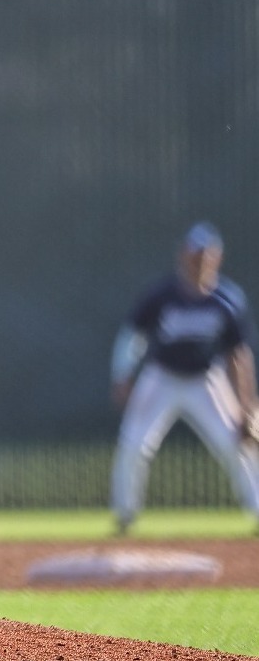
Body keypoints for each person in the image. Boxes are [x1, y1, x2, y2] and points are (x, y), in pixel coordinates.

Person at [108, 222, 259, 535]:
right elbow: (132, 336)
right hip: (161, 376)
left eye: (206, 255)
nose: (200, 261)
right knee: (133, 443)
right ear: (183, 255)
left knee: (239, 442)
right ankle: (125, 515)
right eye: (195, 255)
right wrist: (123, 374)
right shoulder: (162, 295)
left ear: (217, 258)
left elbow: (238, 356)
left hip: (206, 380)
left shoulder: (226, 299)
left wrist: (247, 405)